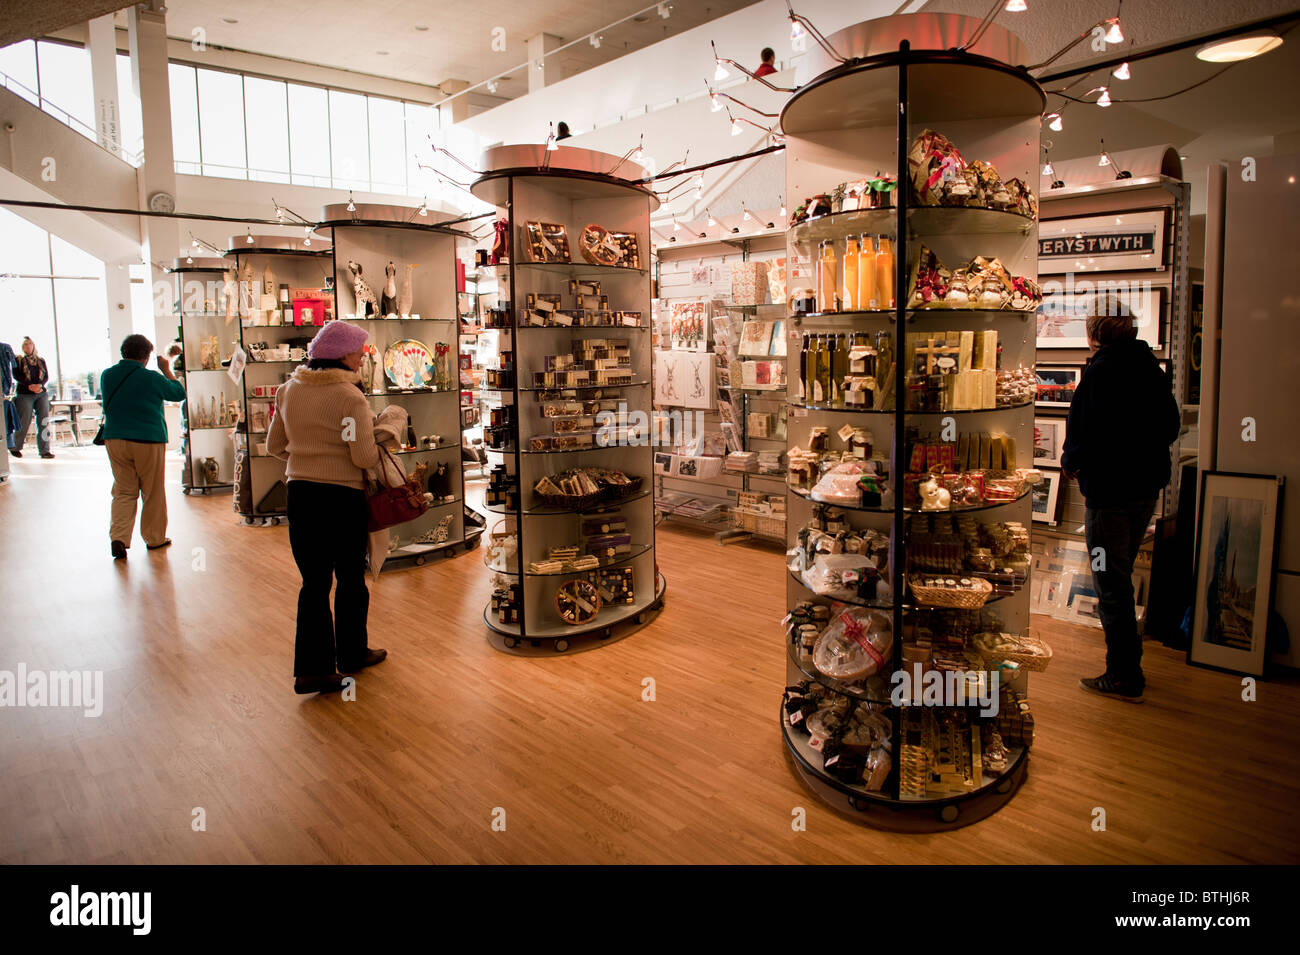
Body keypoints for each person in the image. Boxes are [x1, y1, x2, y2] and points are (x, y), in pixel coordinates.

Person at [1061, 299, 1180, 703]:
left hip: (1108, 493)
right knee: (1120, 574)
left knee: (1111, 582)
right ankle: (1129, 665)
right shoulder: (1150, 368)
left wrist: (1072, 464)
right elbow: (1170, 427)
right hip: (1144, 489)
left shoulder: (1099, 373)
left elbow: (1081, 433)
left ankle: (1124, 674)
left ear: (1094, 335)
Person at [268, 321, 387, 695]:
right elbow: (363, 455)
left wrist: (307, 458)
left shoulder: (288, 391)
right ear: (342, 355)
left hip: (301, 494)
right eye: (359, 352)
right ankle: (352, 652)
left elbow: (275, 445)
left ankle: (312, 670)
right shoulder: (349, 397)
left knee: (314, 583)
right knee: (351, 576)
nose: (363, 358)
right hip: (342, 496)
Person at [100, 334, 187, 559]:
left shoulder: (107, 375)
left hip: (115, 438)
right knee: (152, 491)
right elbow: (178, 394)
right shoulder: (151, 377)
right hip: (147, 439)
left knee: (123, 490)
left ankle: (118, 538)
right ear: (147, 356)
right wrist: (166, 370)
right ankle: (154, 538)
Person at [12, 337, 54, 458]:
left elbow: (46, 376)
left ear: (33, 346)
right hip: (25, 394)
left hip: (41, 393)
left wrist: (40, 385)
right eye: (25, 344)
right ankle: (15, 447)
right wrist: (29, 386)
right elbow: (16, 375)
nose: (28, 346)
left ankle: (45, 450)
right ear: (22, 347)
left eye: (30, 344)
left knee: (44, 422)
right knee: (23, 421)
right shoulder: (18, 360)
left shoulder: (41, 360)